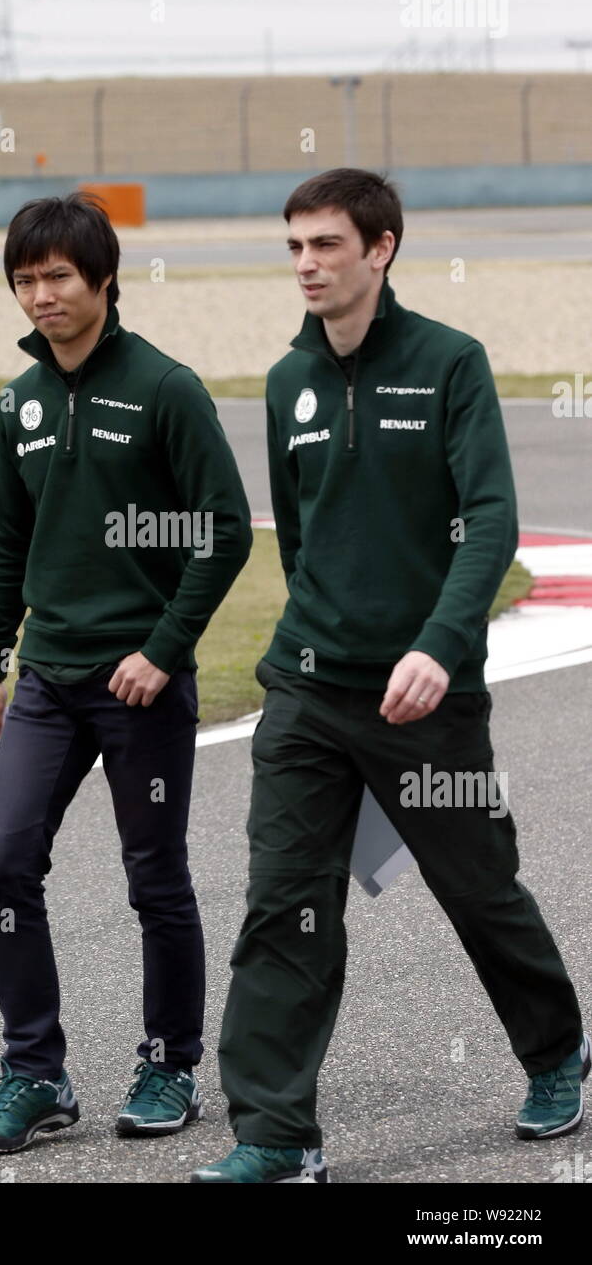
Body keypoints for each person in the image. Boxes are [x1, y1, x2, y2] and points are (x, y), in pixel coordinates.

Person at [191, 167, 589, 1184]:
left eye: (324, 244)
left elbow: (489, 521)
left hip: (428, 696)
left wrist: (436, 643)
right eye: (291, 246)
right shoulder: (288, 383)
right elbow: (302, 535)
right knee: (283, 905)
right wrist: (321, 636)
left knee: (477, 890)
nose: (304, 265)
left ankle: (554, 1052)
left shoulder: (450, 363)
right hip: (307, 691)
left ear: (380, 249)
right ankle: (276, 1136)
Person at [0, 192, 252, 1155]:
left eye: (58, 277)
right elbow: (9, 539)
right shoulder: (19, 403)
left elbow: (224, 531)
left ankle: (170, 1063)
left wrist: (162, 650)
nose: (40, 295)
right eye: (25, 278)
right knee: (7, 864)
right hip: (45, 678)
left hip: (143, 683)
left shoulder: (166, 389)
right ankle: (34, 1072)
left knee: (154, 878)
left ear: (103, 280)